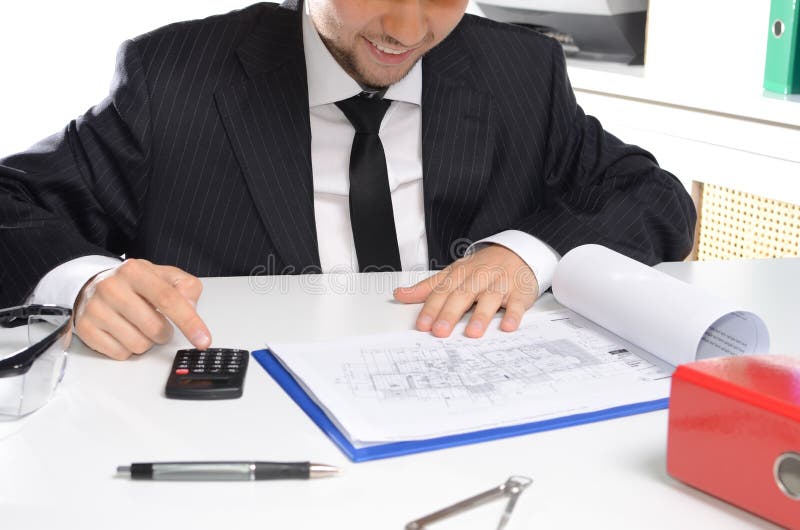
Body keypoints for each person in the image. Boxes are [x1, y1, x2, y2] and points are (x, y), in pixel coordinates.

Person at [0, 0, 696, 360]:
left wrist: (529, 252)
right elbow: (11, 202)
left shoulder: (522, 71)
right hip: (248, 423)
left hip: (472, 407)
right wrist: (83, 282)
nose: (407, 27)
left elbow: (655, 197)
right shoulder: (173, 75)